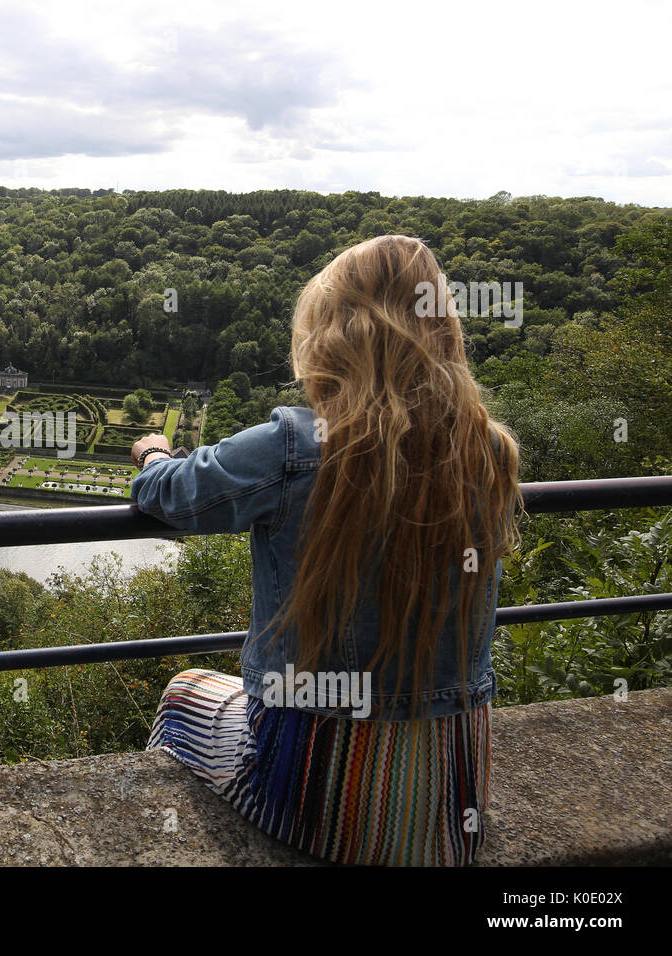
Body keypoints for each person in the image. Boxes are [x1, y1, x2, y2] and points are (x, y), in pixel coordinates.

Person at [129, 235, 523, 866]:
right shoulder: (487, 450)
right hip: (450, 810)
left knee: (182, 694)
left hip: (318, 804)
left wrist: (152, 452)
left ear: (335, 336)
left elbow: (174, 495)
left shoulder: (296, 446)